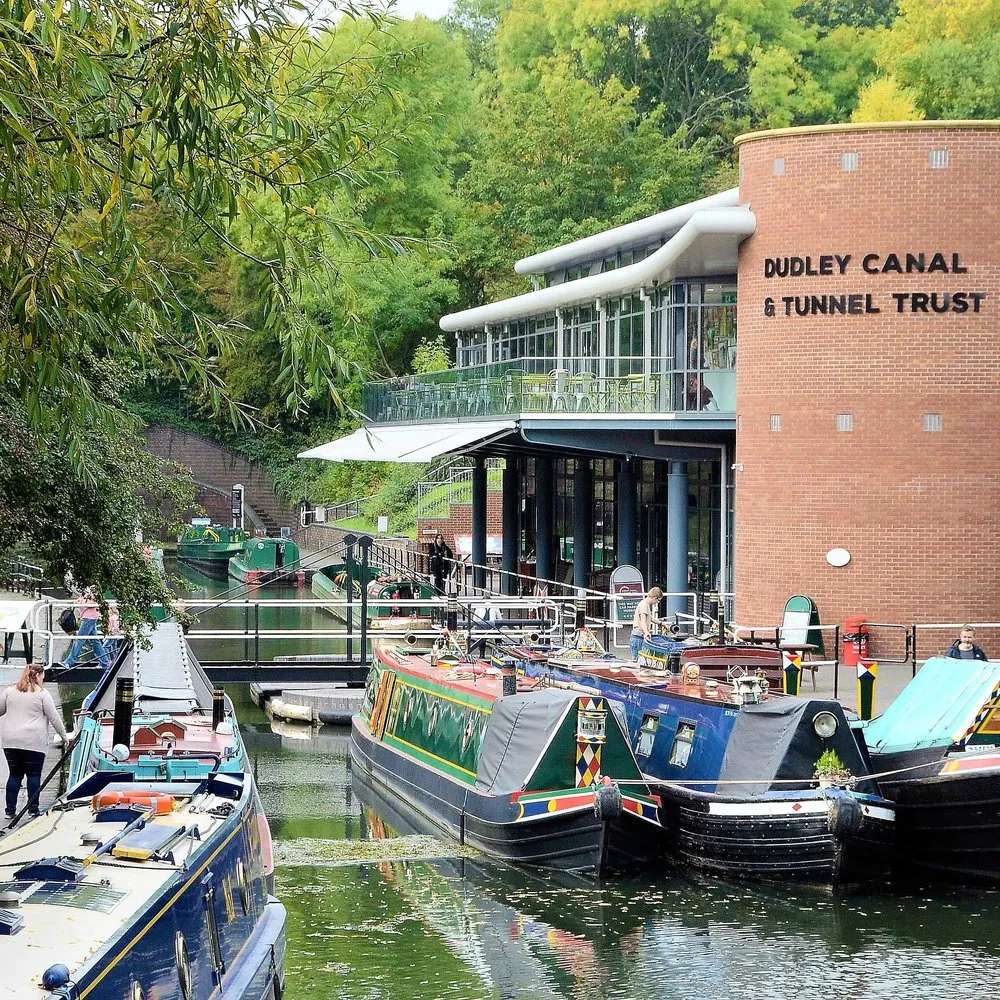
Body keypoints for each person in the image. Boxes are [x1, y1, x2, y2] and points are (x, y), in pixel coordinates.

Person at [0, 663, 68, 819]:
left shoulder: (10, 691)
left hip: (11, 741)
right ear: (38, 676)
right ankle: (33, 810)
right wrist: (64, 737)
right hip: (33, 742)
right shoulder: (42, 694)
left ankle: (10, 811)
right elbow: (54, 718)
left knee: (15, 775)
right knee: (33, 775)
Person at [62, 586, 111, 670]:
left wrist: (81, 602)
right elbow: (82, 600)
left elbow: (95, 602)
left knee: (80, 640)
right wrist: (81, 601)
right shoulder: (86, 588)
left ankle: (69, 662)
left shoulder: (93, 589)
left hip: (89, 618)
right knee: (95, 641)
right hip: (88, 617)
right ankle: (105, 662)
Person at [630, 587, 664, 661]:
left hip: (637, 636)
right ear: (655, 598)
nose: (657, 602)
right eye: (658, 600)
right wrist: (646, 632)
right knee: (638, 661)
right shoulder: (644, 605)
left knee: (639, 660)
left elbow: (650, 617)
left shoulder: (645, 604)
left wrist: (661, 623)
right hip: (639, 636)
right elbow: (643, 621)